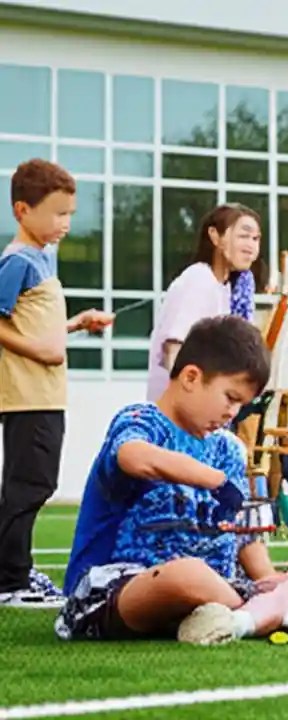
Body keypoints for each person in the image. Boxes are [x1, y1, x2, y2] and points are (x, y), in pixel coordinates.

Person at [57, 315, 288, 643]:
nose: (233, 413)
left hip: (210, 590)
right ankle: (258, 614)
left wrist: (268, 579)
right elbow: (133, 456)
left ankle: (244, 611)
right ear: (191, 377)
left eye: (242, 405)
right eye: (230, 397)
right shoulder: (141, 421)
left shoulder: (228, 448)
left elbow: (243, 534)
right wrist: (214, 481)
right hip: (112, 592)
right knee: (187, 574)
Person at [147, 203, 288, 516]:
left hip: (200, 419)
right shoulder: (198, 281)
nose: (251, 246)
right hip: (178, 420)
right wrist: (193, 405)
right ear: (215, 236)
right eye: (243, 235)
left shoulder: (223, 288)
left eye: (256, 238)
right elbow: (173, 353)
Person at [0, 159, 113, 608]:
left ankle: (15, 572)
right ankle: (10, 582)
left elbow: (33, 326)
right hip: (27, 397)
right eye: (57, 213)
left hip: (44, 394)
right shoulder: (17, 261)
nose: (66, 223)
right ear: (22, 211)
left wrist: (75, 325)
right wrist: (40, 351)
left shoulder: (42, 258)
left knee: (34, 482)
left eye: (70, 213)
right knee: (29, 484)